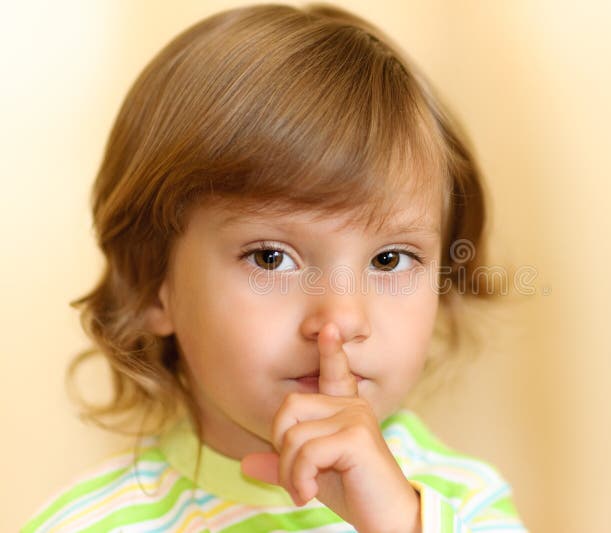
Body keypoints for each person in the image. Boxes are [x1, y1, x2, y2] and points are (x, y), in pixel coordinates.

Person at [23, 3, 528, 532]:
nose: (340, 320)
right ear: (154, 286)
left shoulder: (463, 506)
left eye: (389, 259)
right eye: (272, 257)